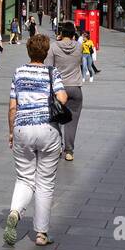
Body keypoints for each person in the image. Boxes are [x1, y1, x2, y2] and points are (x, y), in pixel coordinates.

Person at [3, 33, 69, 247]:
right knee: (45, 183)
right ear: (46, 52)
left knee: (24, 178)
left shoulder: (19, 72)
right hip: (48, 129)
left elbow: (12, 106)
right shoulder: (52, 72)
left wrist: (11, 131)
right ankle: (41, 234)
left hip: (23, 128)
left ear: (29, 51)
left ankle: (14, 212)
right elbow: (62, 98)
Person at [46, 20, 85, 161]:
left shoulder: (53, 47)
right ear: (74, 34)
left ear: (61, 33)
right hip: (75, 88)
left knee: (55, 118)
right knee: (72, 121)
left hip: (58, 89)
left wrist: (58, 41)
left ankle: (57, 148)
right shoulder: (79, 47)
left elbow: (49, 68)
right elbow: (80, 62)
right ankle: (69, 151)